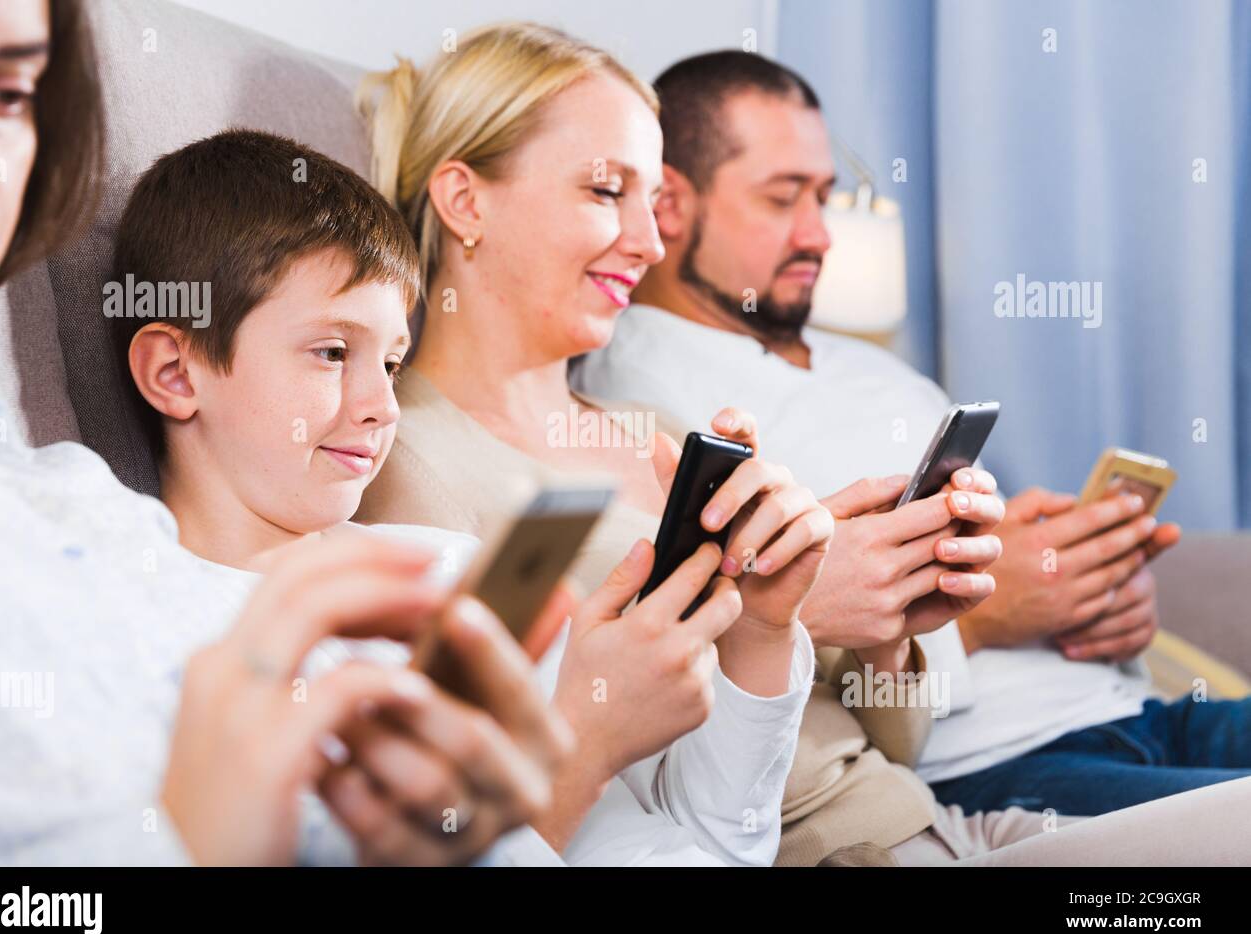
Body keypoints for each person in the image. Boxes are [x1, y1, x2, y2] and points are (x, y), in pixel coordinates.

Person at [352, 22, 1017, 866]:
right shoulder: (404, 465)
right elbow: (518, 807)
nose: (651, 241)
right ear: (465, 200)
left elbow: (894, 750)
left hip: (932, 824)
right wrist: (777, 618)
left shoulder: (661, 436)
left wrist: (884, 623)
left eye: (650, 200)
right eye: (605, 192)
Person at [0, 0, 568, 867]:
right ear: (173, 373)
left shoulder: (68, 497)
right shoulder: (143, 576)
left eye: (7, 95)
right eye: (328, 352)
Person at [571, 50, 1251, 823]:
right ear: (671, 205)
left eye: (823, 197)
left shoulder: (869, 363)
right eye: (782, 198)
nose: (820, 234)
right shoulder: (649, 402)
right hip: (1001, 761)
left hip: (1144, 707)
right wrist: (992, 618)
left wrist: (1099, 596)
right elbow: (754, 637)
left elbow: (984, 542)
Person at [111, 126, 801, 866]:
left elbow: (717, 843)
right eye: (333, 352)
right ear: (176, 374)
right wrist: (584, 746)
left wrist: (761, 631)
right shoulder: (168, 651)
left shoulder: (453, 571)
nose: (383, 403)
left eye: (394, 360)